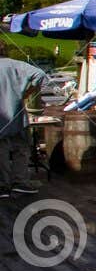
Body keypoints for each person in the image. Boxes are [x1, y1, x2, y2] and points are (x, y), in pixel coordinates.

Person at [0, 55, 47, 198]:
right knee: (21, 148)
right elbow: (40, 74)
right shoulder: (13, 65)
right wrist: (26, 94)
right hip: (17, 115)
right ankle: (20, 182)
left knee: (1, 149)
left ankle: (2, 185)